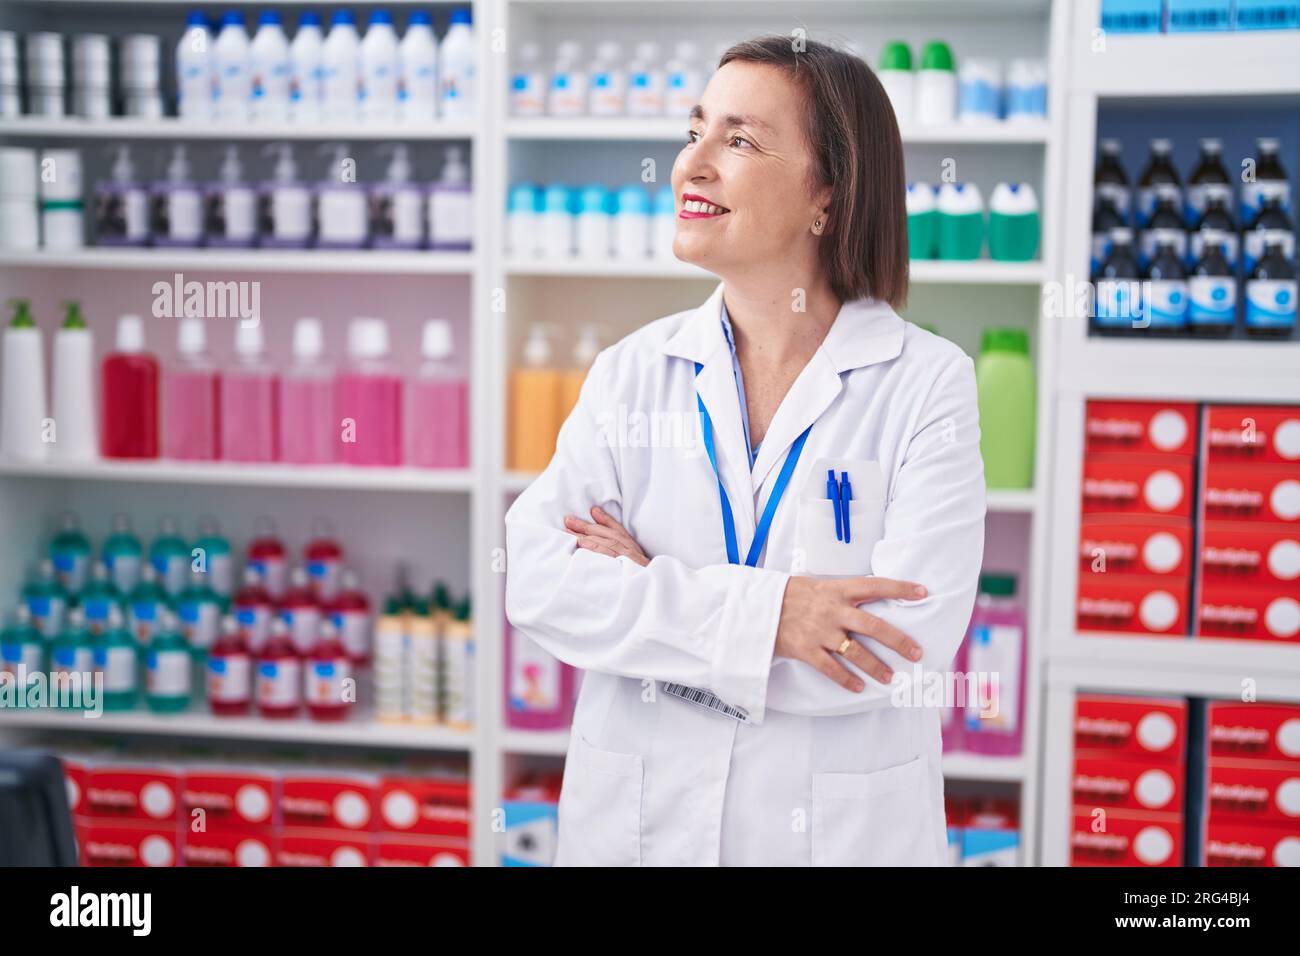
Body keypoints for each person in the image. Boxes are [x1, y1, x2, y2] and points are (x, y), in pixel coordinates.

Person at [505, 36, 986, 866]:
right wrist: (778, 618)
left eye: (738, 139)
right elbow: (543, 581)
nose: (690, 163)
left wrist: (648, 585)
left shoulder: (927, 384)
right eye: (695, 130)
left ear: (826, 196)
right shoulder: (633, 372)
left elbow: (892, 653)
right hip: (637, 831)